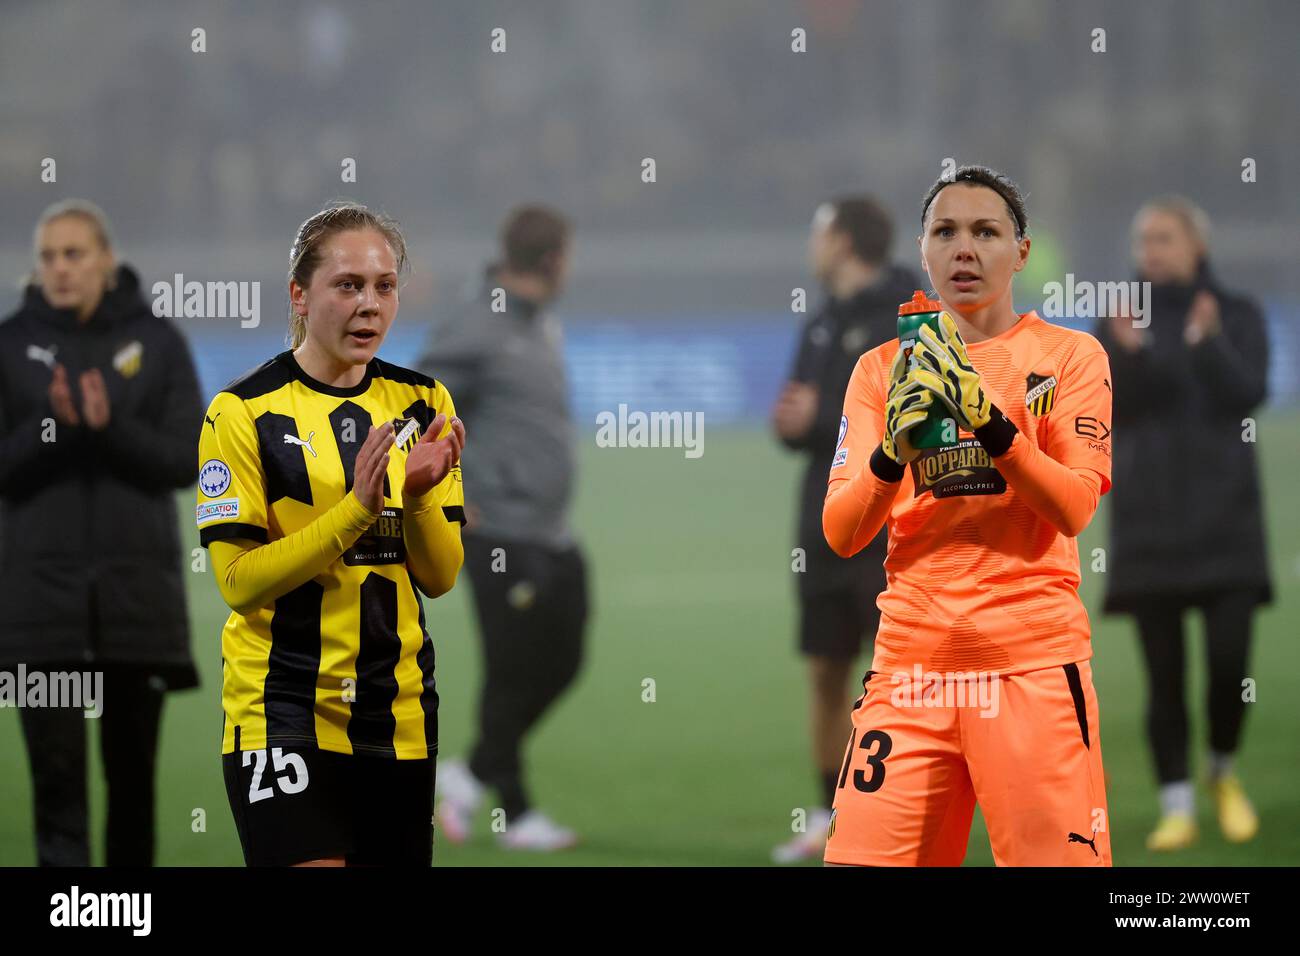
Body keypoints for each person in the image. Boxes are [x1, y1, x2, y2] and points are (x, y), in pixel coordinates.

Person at [822, 166, 1114, 866]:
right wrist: (894, 451)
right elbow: (841, 531)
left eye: (986, 231)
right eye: (945, 231)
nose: (964, 248)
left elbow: (1073, 506)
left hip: (1032, 672)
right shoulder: (880, 371)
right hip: (909, 674)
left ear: (1021, 251)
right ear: (922, 251)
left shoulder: (1070, 357)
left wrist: (989, 423)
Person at [198, 202, 467, 866]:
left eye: (384, 286)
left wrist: (420, 497)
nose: (369, 305)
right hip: (281, 708)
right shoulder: (242, 412)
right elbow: (237, 583)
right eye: (347, 285)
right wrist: (355, 510)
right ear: (300, 293)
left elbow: (440, 576)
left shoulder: (424, 403)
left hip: (397, 712)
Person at [0, 199, 201, 866]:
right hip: (40, 612)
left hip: (136, 611)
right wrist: (50, 429)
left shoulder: (160, 341)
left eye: (74, 253)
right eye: (49, 255)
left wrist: (107, 426)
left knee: (133, 794)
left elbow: (189, 459)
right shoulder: (8, 345)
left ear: (106, 260)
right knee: (56, 796)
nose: (60, 268)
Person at [1094, 196, 1271, 851]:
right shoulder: (1114, 320)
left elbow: (1248, 392)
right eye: (1144, 240)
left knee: (1229, 667)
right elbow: (1111, 409)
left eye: (1165, 238)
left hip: (1227, 524)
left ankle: (1222, 772)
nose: (1151, 251)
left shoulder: (1238, 313)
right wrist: (1131, 356)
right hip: (1148, 527)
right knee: (1163, 678)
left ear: (1197, 245)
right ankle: (1177, 805)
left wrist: (1209, 343)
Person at [417, 205, 585, 852]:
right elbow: (417, 404)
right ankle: (514, 813)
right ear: (551, 260)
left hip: (551, 530)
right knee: (511, 666)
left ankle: (471, 774)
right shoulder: (476, 322)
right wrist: (451, 496)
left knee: (565, 656)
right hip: (497, 533)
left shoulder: (541, 322)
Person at [769, 197, 919, 863]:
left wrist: (821, 412)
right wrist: (789, 424)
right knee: (827, 672)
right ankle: (831, 814)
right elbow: (801, 421)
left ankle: (897, 816)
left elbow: (911, 416)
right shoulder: (822, 321)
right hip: (823, 524)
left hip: (891, 526)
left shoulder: (909, 313)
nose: (812, 243)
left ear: (846, 239)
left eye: (818, 228)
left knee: (895, 678)